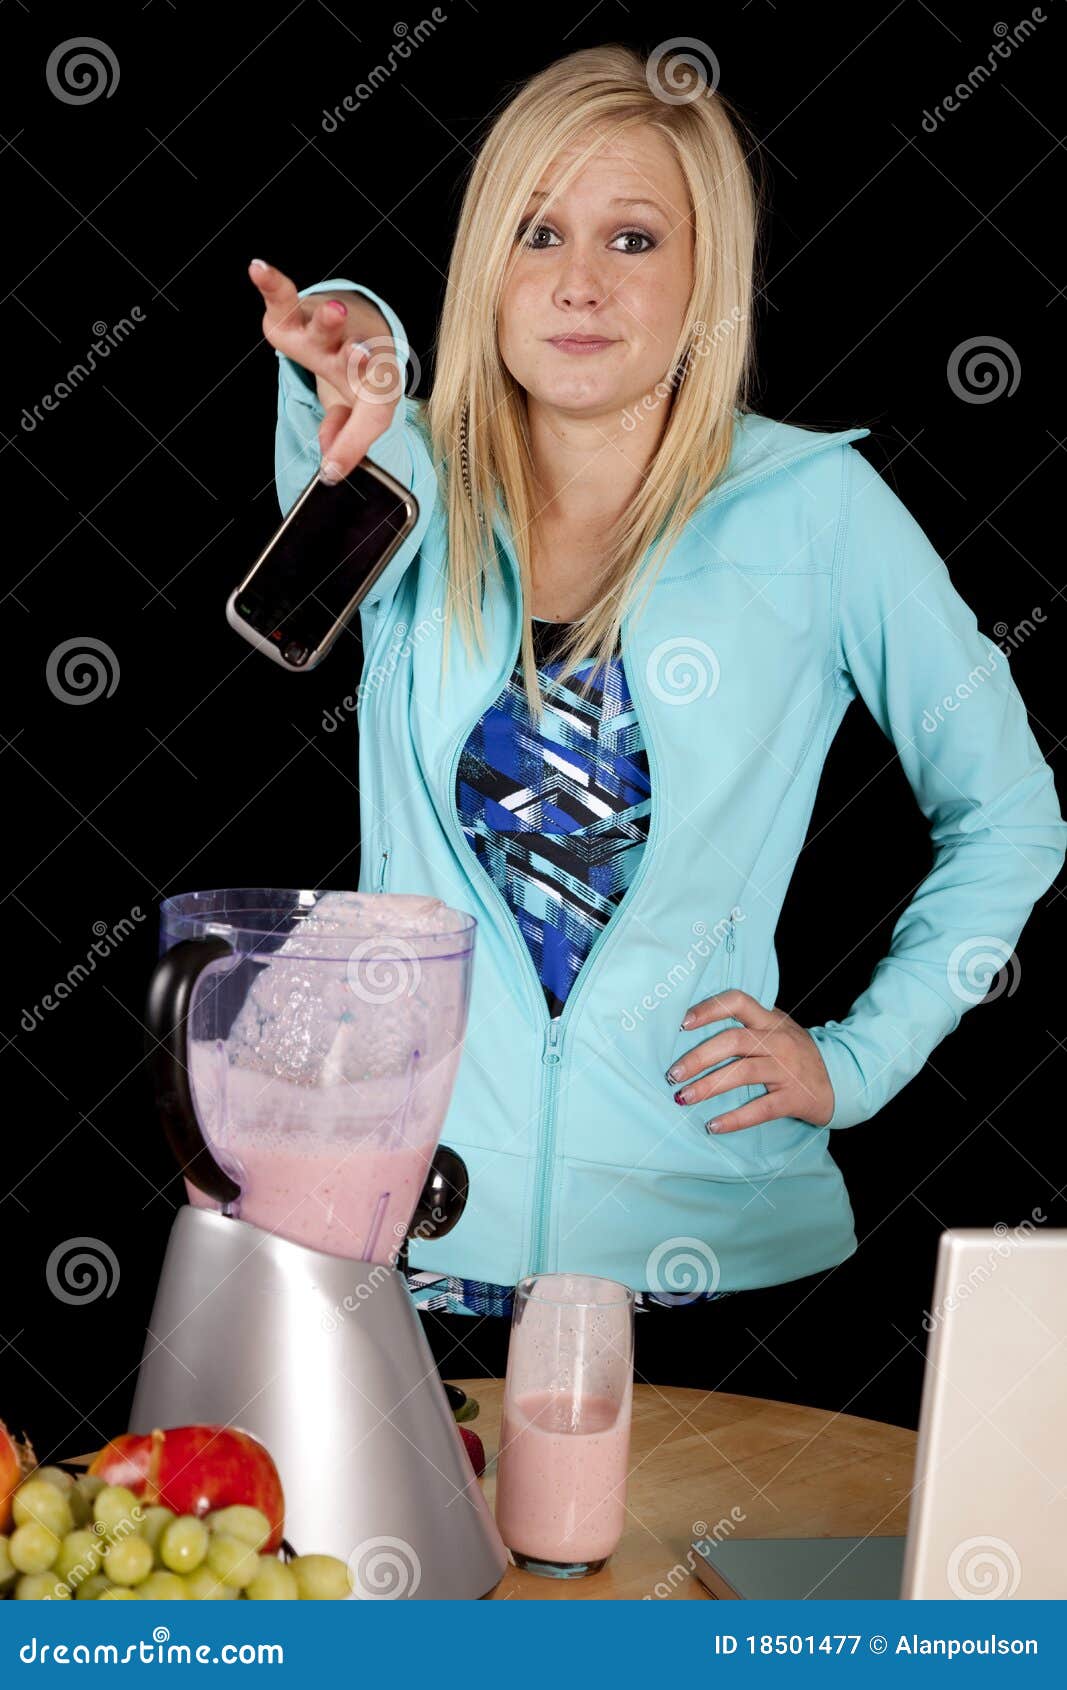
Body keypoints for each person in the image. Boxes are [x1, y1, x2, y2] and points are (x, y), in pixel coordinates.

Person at [249, 44, 1066, 1397]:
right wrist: (346, 344)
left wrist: (855, 1061)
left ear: (704, 280)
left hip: (721, 1278)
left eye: (633, 237)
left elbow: (1013, 816)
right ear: (487, 274)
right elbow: (340, 442)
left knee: (700, 1618)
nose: (579, 280)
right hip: (415, 1255)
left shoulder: (818, 513)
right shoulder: (415, 495)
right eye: (538, 232)